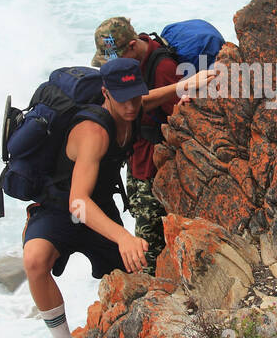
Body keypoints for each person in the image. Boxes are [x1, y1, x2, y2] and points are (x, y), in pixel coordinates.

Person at [22, 57, 149, 338]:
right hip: (60, 206)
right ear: (105, 93)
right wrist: (123, 236)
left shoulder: (131, 106)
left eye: (137, 95)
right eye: (124, 98)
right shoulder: (93, 132)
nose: (132, 105)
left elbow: (150, 98)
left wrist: (184, 85)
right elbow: (78, 204)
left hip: (99, 206)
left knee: (136, 278)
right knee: (35, 261)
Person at [91, 16, 215, 271]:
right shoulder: (137, 62)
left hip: (153, 165)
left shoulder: (162, 69)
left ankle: (151, 289)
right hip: (137, 157)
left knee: (147, 245)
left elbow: (179, 120)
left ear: (134, 46)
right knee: (140, 221)